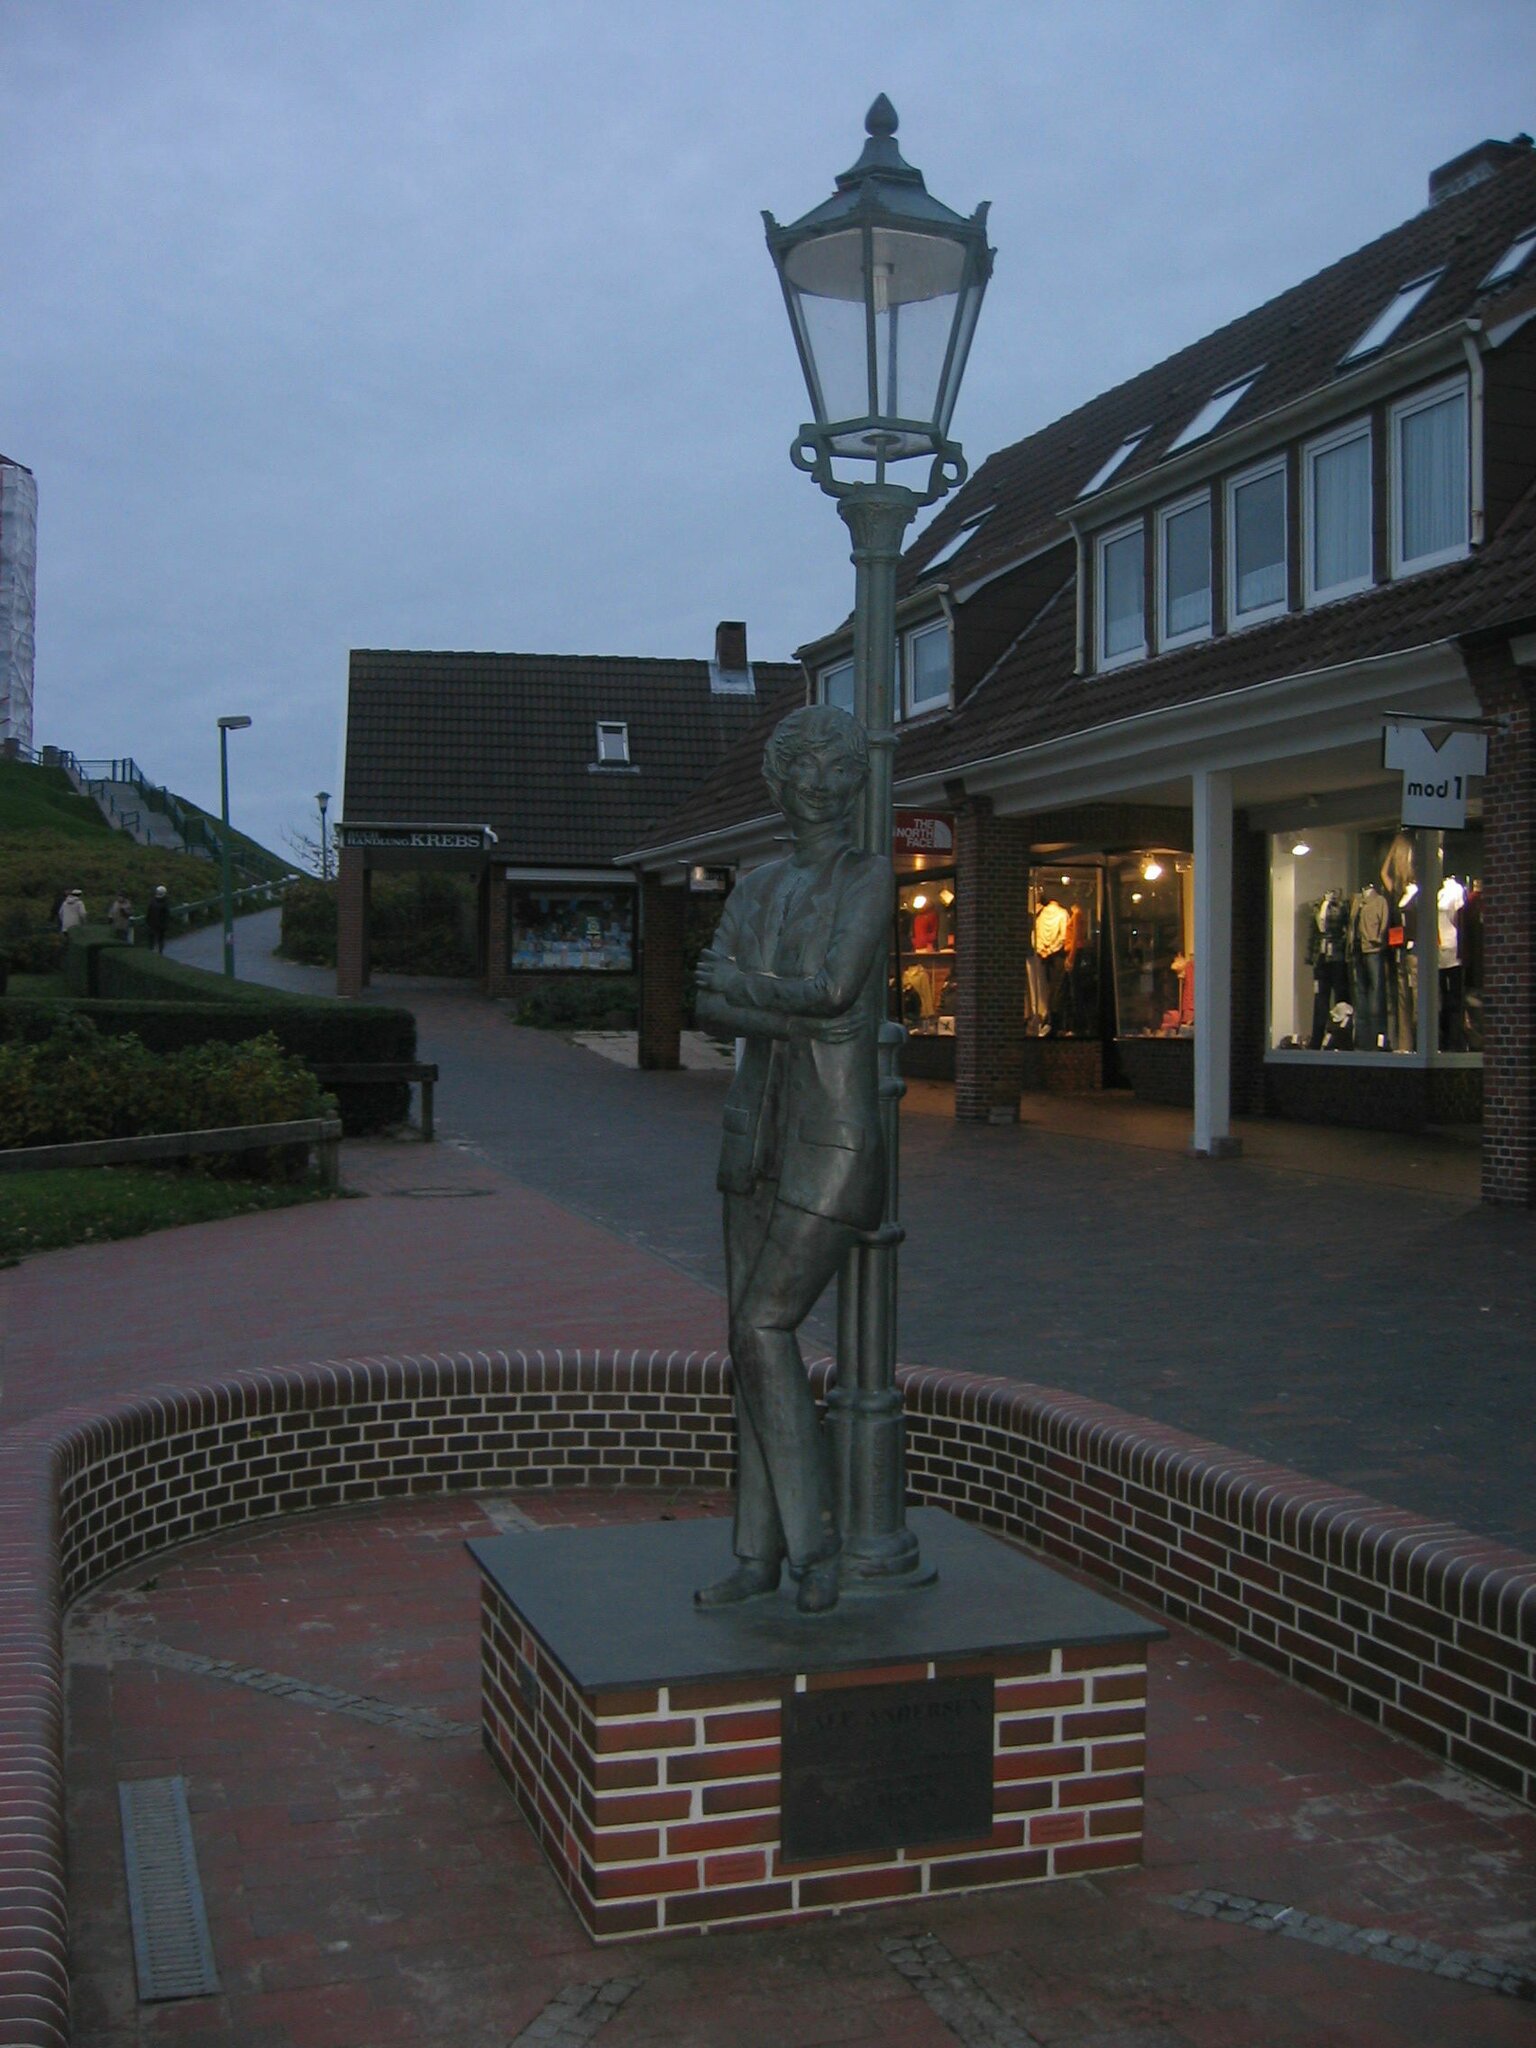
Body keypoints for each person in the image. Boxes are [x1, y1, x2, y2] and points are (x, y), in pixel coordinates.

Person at [693, 703, 892, 1618]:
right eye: (801, 770)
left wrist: (750, 992)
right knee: (747, 1346)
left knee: (761, 1329)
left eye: (834, 770)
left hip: (832, 1142)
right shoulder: (756, 884)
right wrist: (780, 1006)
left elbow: (837, 990)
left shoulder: (870, 879)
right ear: (780, 782)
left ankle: (816, 1547)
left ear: (854, 783)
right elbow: (713, 1002)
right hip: (755, 1138)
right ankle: (757, 1552)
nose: (816, 786)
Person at [145, 886, 171, 953]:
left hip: (152, 924)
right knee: (160, 940)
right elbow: (167, 915)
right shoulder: (165, 903)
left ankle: (151, 951)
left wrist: (147, 922)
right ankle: (160, 952)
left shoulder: (152, 901)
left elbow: (148, 913)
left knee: (151, 940)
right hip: (160, 925)